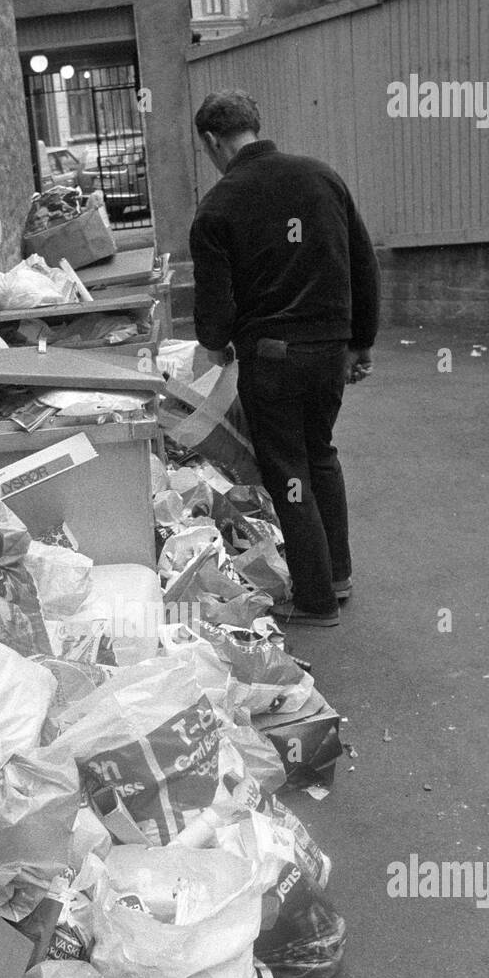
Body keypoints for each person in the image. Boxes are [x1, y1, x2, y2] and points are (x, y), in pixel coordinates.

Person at [189, 89, 380, 626]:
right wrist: (360, 341)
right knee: (320, 454)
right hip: (328, 354)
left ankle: (316, 600)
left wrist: (216, 341)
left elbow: (214, 309)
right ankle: (338, 576)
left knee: (288, 470)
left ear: (210, 140)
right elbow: (362, 263)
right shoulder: (322, 177)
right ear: (255, 124)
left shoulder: (218, 207)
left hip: (272, 358)